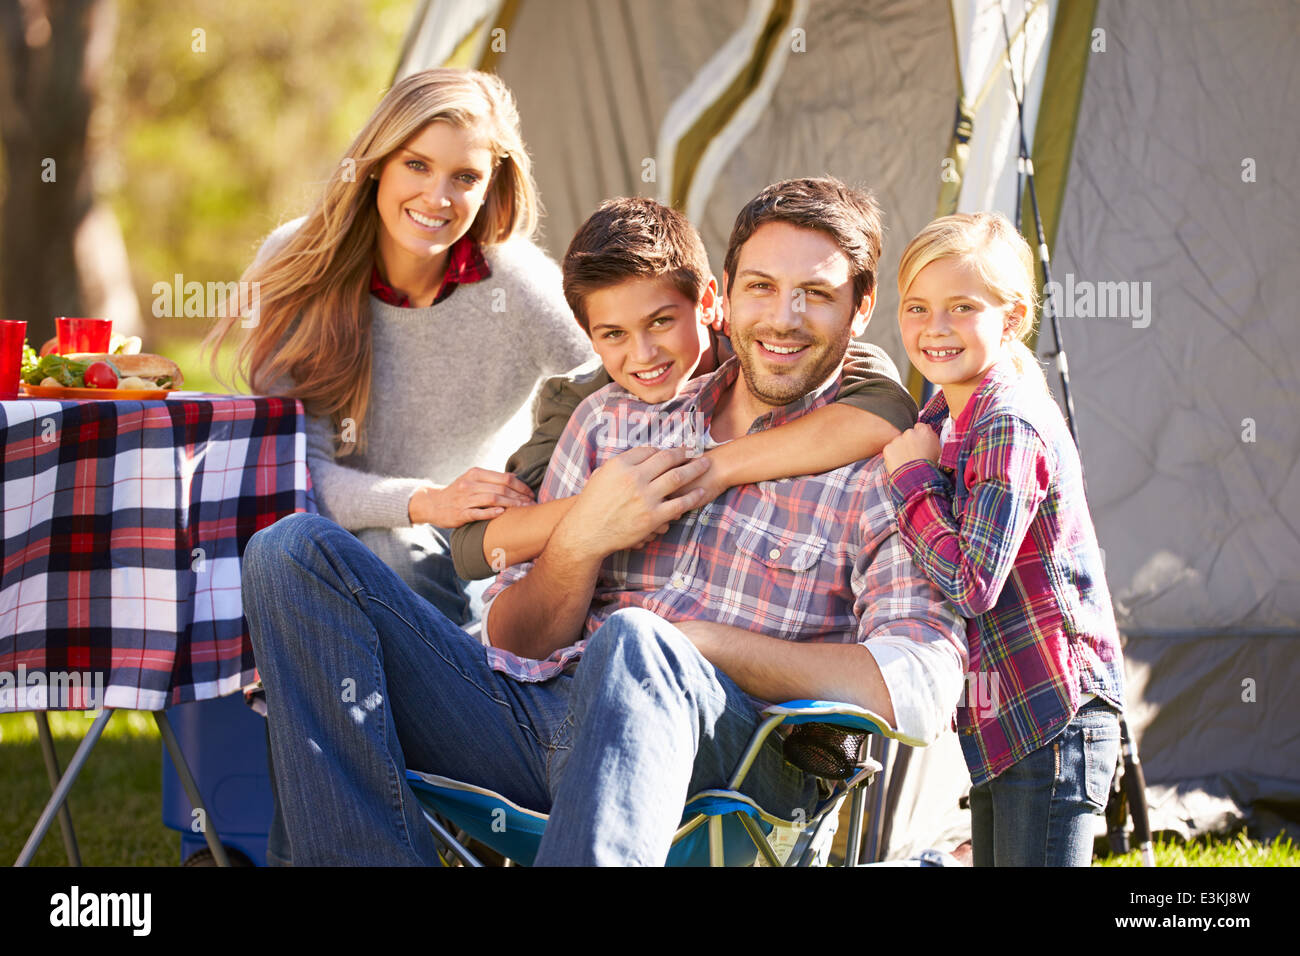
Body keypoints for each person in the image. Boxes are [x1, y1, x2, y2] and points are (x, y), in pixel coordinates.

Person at [241, 177, 967, 865]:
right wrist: (580, 538)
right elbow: (513, 640)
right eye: (763, 288)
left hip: (732, 765)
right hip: (539, 719)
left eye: (816, 294)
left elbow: (924, 683)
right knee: (292, 552)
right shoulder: (608, 420)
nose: (783, 317)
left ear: (861, 306)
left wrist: (698, 647)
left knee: (637, 640)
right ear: (726, 296)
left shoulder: (881, 462)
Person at [206, 68, 593, 623]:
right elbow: (295, 468)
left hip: (474, 554)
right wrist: (427, 501)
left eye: (464, 176)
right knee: (385, 551)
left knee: (399, 558)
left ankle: (456, 694)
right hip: (320, 541)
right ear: (377, 164)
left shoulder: (517, 285)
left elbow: (618, 375)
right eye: (417, 164)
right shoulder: (297, 260)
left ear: (489, 187)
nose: (437, 198)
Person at [448, 196, 918, 580]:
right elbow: (475, 550)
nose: (644, 354)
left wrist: (706, 470)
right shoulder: (584, 399)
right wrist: (607, 509)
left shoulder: (765, 359)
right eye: (614, 333)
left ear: (711, 302)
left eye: (661, 322)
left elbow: (888, 412)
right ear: (586, 332)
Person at [881, 212, 1126, 867]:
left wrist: (911, 482)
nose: (935, 327)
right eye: (917, 307)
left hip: (1052, 711)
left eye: (962, 307)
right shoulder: (949, 416)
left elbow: (970, 583)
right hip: (1006, 718)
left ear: (1012, 316)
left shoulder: (1007, 425)